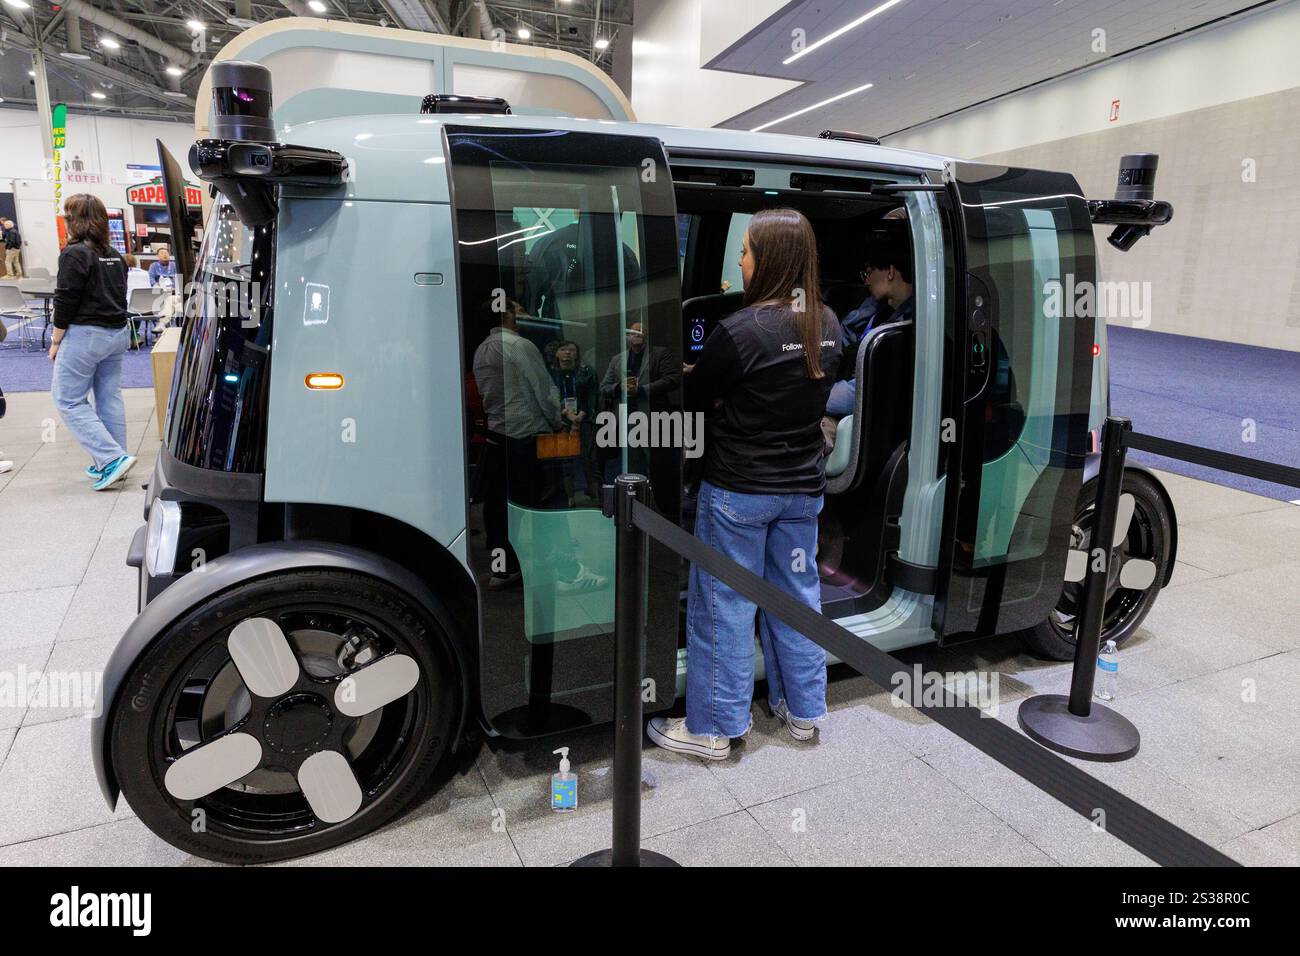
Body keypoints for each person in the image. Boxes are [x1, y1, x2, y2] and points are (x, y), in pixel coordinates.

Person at [647, 208, 842, 760]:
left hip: (739, 490)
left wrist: (682, 374)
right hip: (802, 489)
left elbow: (702, 392)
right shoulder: (826, 323)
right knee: (797, 598)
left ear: (771, 258)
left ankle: (713, 728)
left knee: (724, 604)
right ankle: (802, 712)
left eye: (747, 249)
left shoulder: (739, 331)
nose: (740, 259)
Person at [48, 194, 136, 491]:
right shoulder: (113, 254)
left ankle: (110, 458)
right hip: (117, 333)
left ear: (74, 220)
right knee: (109, 396)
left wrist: (56, 340)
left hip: (87, 335)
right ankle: (116, 460)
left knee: (67, 399)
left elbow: (65, 299)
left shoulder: (74, 253)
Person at [827, 236, 915, 417]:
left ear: (890, 272)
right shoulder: (873, 310)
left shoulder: (908, 326)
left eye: (868, 273)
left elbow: (864, 392)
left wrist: (808, 398)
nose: (866, 281)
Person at [550, 340, 602, 503]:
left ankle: (596, 498)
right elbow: (549, 397)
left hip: (585, 420)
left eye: (572, 350)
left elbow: (592, 396)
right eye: (563, 349)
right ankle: (569, 499)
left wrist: (579, 417)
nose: (567, 353)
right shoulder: (550, 374)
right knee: (565, 462)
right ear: (557, 353)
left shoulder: (587, 372)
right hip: (560, 423)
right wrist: (566, 413)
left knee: (590, 459)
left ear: (577, 354)